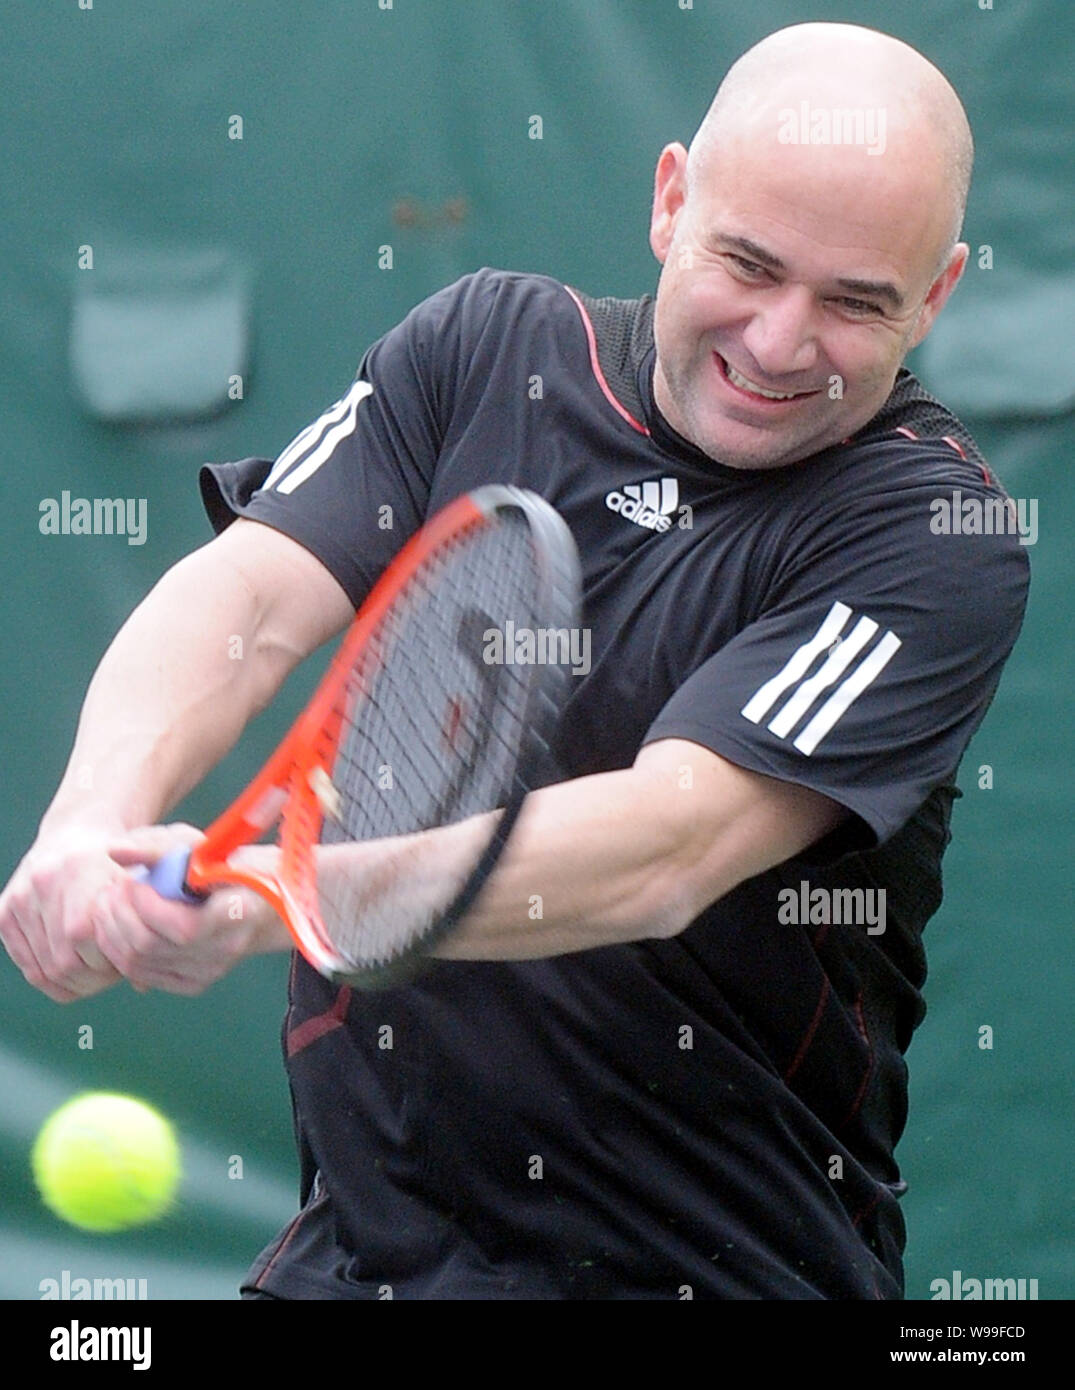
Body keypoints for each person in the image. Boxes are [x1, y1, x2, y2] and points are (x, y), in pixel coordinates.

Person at [0, 22, 1029, 1299]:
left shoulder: (932, 534)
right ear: (669, 202)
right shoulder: (483, 349)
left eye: (854, 301)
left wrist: (284, 896)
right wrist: (90, 820)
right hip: (362, 1253)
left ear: (935, 297)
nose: (776, 341)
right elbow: (247, 596)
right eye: (749, 264)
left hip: (708, 1268)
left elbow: (666, 846)